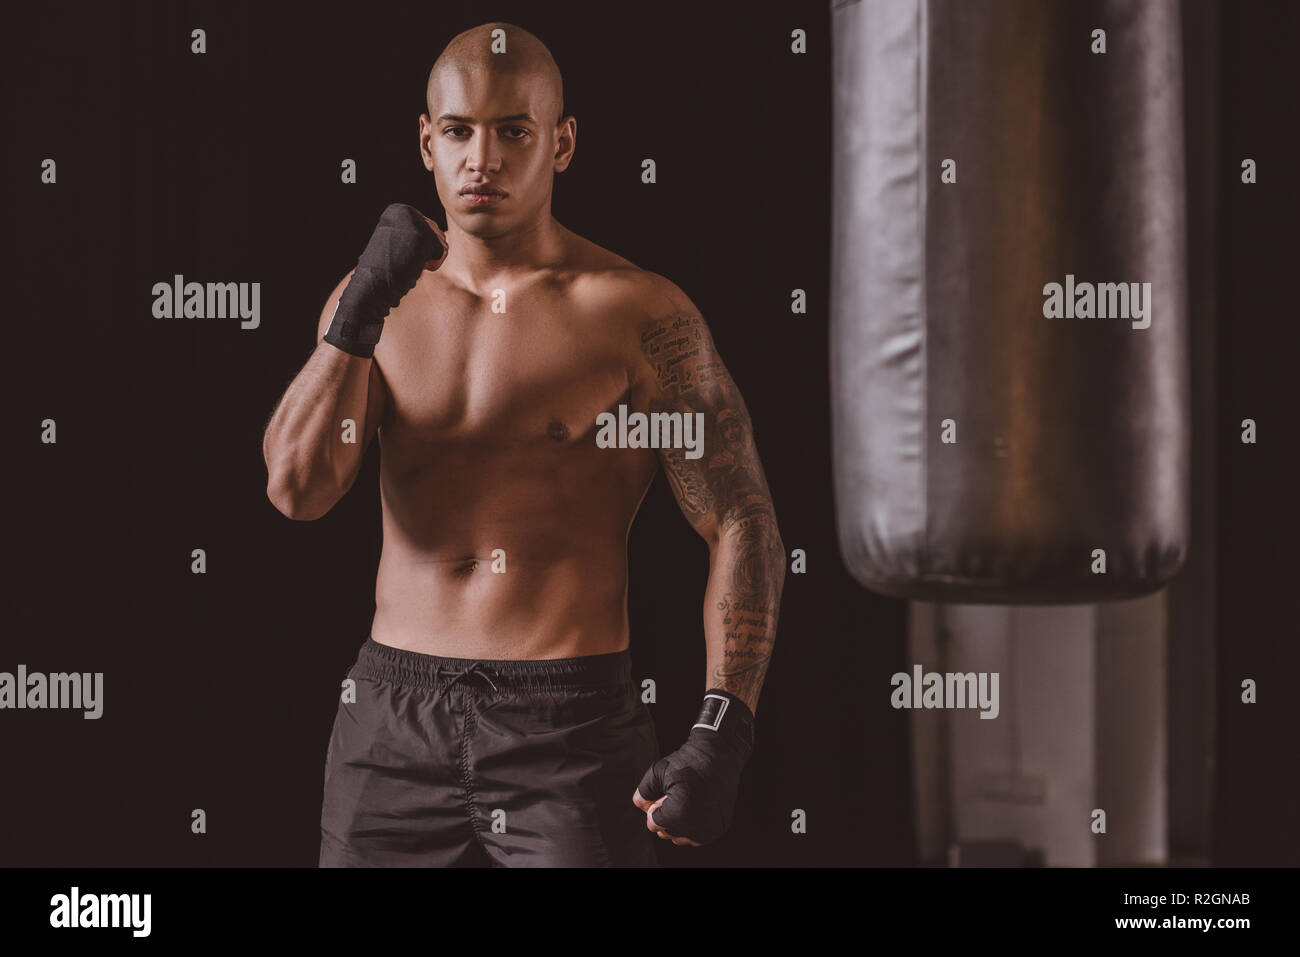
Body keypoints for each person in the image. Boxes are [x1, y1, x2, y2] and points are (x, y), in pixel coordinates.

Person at [262, 21, 785, 867]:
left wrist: (724, 726)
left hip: (569, 724)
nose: (484, 159)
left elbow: (742, 519)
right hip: (390, 714)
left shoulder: (637, 315)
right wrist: (359, 310)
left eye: (515, 132)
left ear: (562, 143)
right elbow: (296, 488)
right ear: (426, 143)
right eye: (461, 132)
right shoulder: (376, 304)